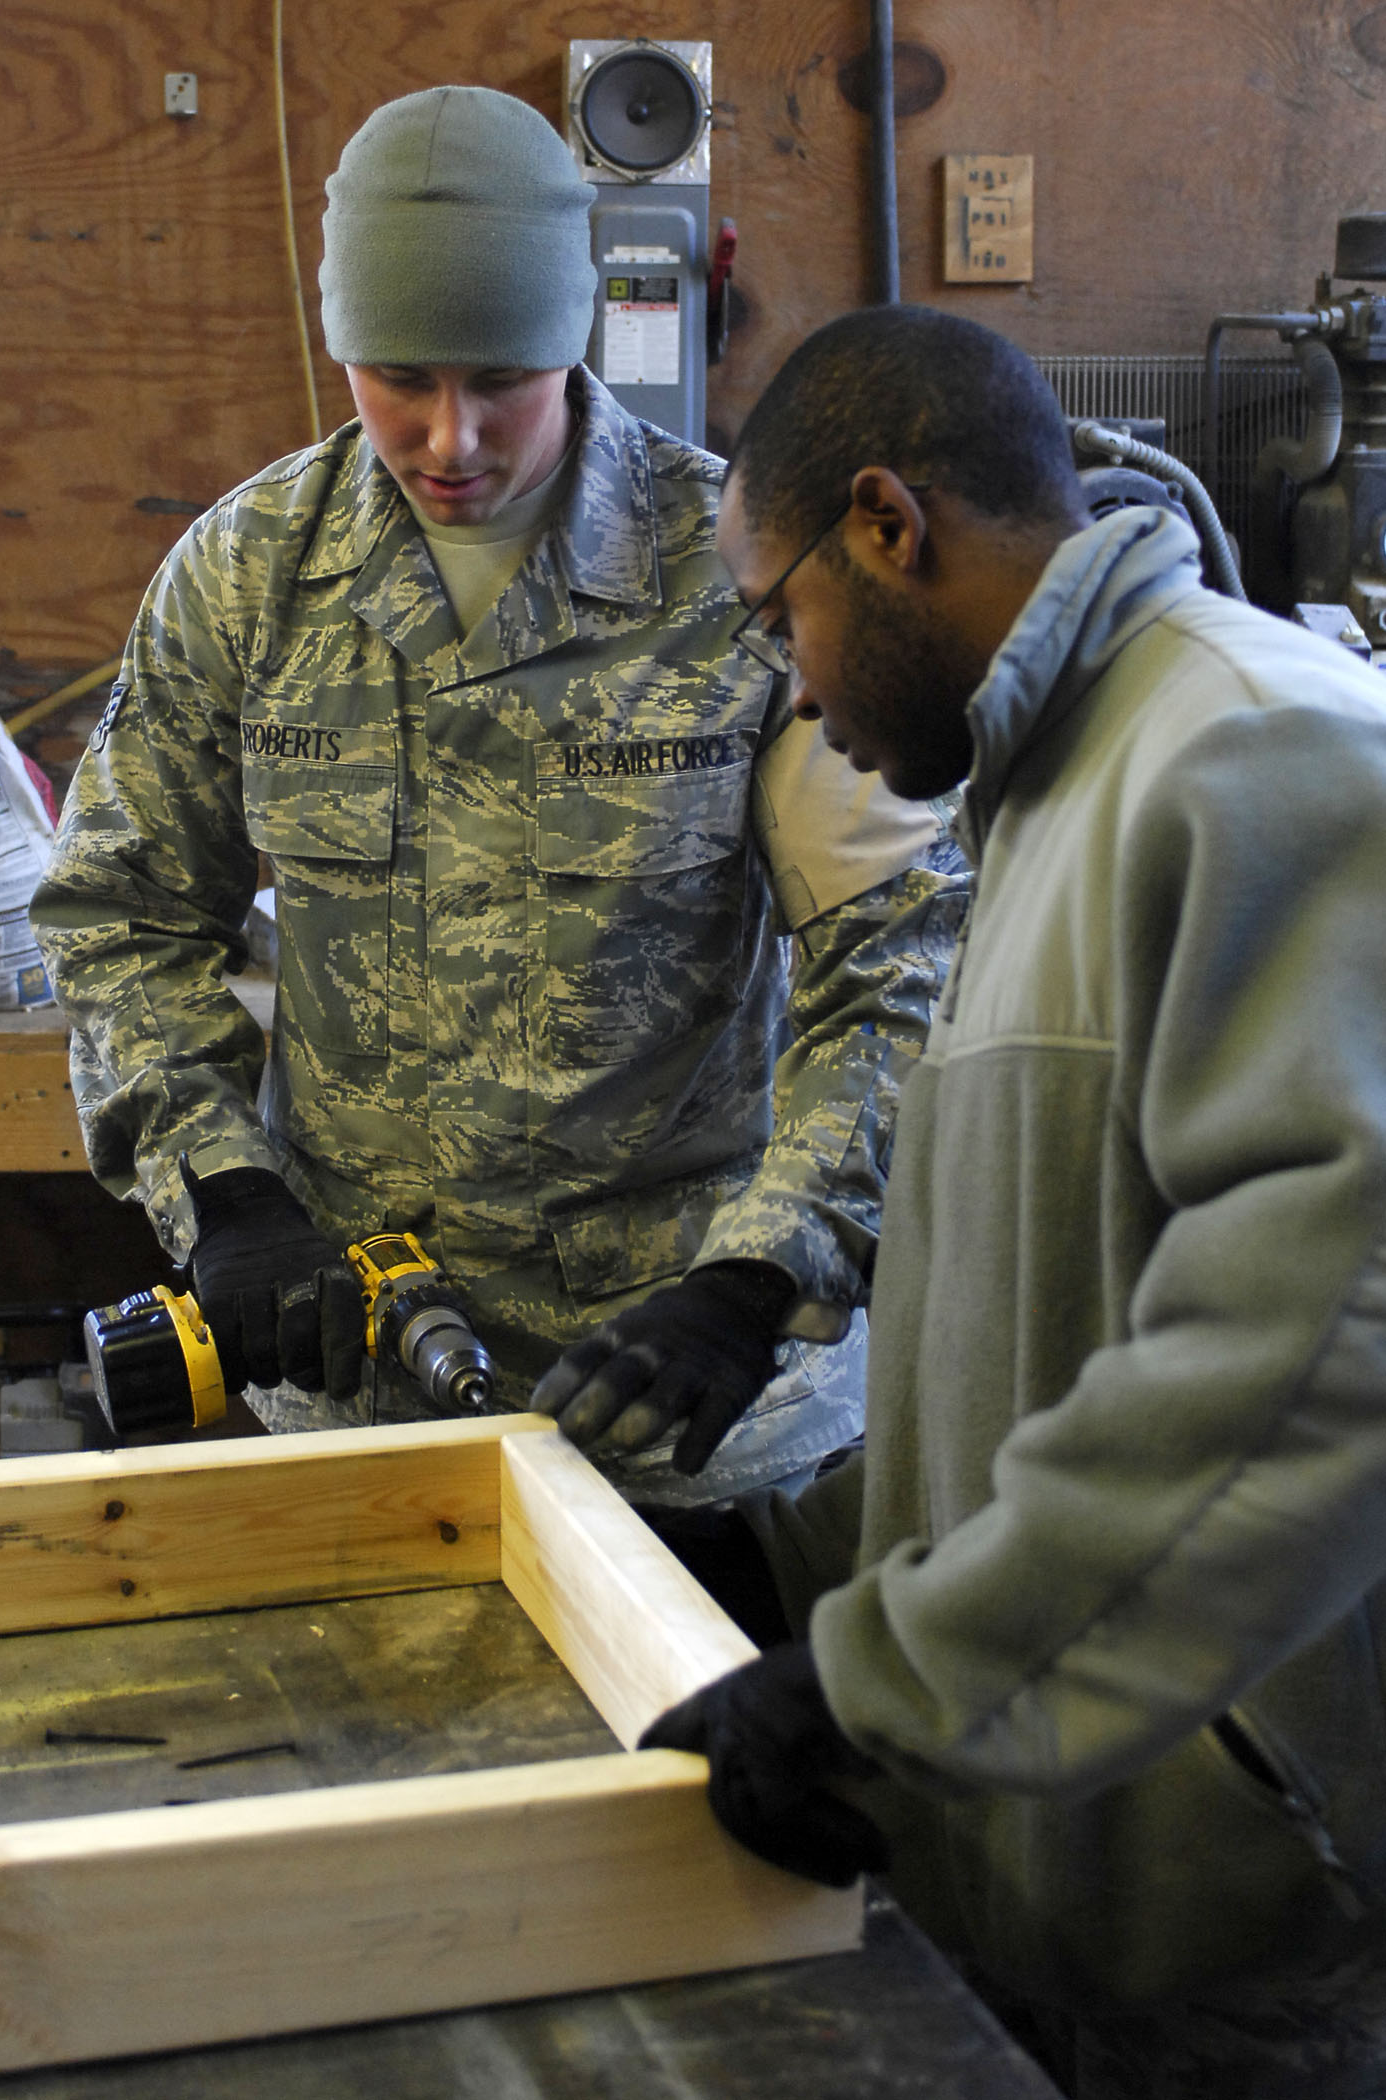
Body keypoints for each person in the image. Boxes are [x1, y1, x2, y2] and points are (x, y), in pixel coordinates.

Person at [643, 302, 1386, 2093]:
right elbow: (1037, 1315)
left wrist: (879, 1684)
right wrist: (779, 1556)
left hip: (1231, 1919)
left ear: (888, 528)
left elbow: (1319, 1339)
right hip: (1067, 1871)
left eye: (781, 621)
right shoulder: (1058, 781)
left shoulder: (1254, 751)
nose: (798, 691)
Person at [31, 91, 967, 1510]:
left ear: (578, 335)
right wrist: (223, 1189)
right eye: (398, 375)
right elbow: (120, 915)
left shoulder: (739, 582)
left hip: (690, 1411)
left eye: (502, 378)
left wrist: (766, 1271)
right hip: (364, 1394)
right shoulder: (251, 579)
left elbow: (898, 967)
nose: (449, 438)